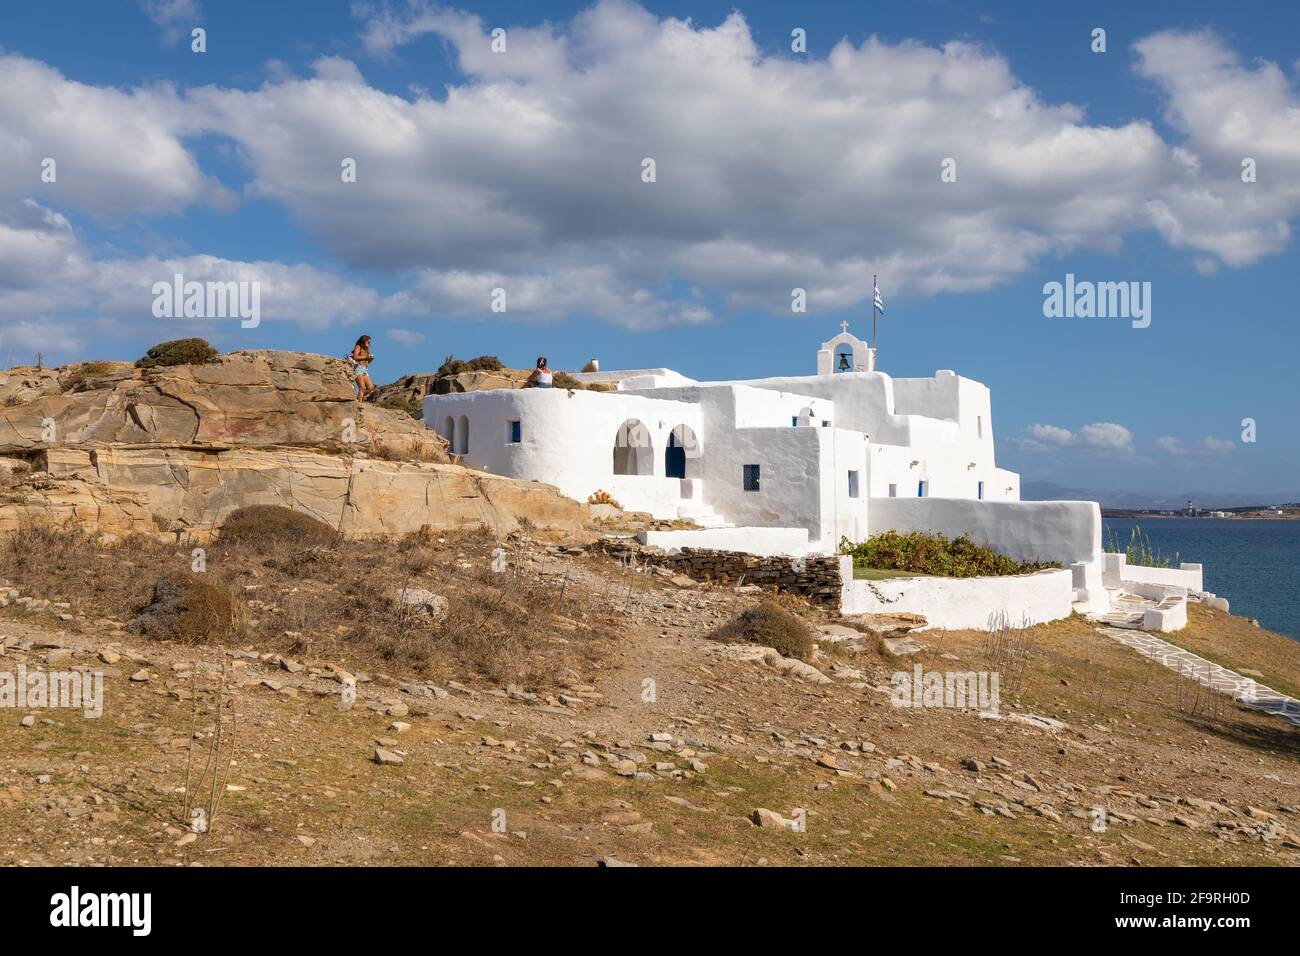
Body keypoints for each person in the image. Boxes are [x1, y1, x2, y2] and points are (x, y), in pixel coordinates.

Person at [350, 335, 375, 400]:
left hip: (364, 369)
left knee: (370, 388)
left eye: (370, 342)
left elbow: (366, 362)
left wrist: (370, 359)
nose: (370, 344)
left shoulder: (367, 350)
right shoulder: (358, 346)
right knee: (362, 388)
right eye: (368, 342)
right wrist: (366, 357)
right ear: (364, 341)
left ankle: (357, 398)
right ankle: (359, 404)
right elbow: (355, 357)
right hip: (358, 368)